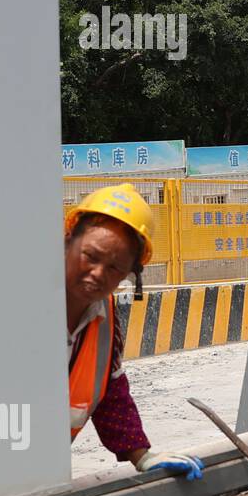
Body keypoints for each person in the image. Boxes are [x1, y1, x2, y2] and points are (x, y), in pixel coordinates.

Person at [65, 184, 204, 479]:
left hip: (36, 475)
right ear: (68, 241)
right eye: (90, 256)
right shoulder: (19, 302)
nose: (99, 273)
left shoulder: (105, 317)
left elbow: (110, 392)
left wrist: (142, 456)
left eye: (115, 268)